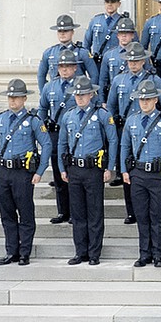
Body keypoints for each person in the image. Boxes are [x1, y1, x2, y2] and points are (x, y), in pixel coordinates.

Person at [0, 78, 52, 266]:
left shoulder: (33, 121)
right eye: (10, 97)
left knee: (25, 212)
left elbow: (46, 145)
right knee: (7, 213)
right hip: (3, 171)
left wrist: (39, 171)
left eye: (17, 97)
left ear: (24, 99)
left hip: (23, 172)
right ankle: (11, 251)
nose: (13, 101)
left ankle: (24, 252)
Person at [120, 77, 161, 268]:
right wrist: (124, 170)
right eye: (142, 99)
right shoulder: (131, 121)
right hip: (138, 173)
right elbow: (124, 146)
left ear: (156, 99)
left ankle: (158, 253)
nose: (145, 102)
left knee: (157, 215)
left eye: (148, 99)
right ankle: (144, 253)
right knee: (141, 215)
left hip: (158, 175)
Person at [107, 41, 161, 225]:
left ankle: (146, 211)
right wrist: (113, 122)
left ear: (144, 60)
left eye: (137, 60)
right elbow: (110, 104)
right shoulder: (119, 80)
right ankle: (131, 211)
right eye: (130, 60)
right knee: (129, 168)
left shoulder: (154, 80)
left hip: (150, 130)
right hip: (126, 128)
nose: (133, 63)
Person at [57, 75, 118, 265]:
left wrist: (109, 167)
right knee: (77, 213)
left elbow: (113, 141)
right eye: (77, 94)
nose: (80, 98)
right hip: (75, 168)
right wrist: (62, 168)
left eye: (84, 94)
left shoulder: (102, 115)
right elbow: (62, 143)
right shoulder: (68, 116)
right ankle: (80, 251)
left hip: (94, 170)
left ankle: (94, 253)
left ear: (91, 94)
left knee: (95, 213)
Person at [39, 48, 83, 225]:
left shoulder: (81, 85)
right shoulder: (50, 86)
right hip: (55, 134)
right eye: (61, 66)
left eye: (68, 66)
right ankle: (62, 211)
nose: (64, 69)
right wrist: (44, 123)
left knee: (72, 174)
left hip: (75, 136)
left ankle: (74, 212)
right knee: (58, 174)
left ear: (75, 68)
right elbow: (42, 108)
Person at [37, 14, 95, 91]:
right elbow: (41, 75)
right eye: (60, 31)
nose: (62, 33)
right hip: (56, 93)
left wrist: (89, 93)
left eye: (66, 31)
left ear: (72, 32)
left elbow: (94, 75)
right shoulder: (49, 53)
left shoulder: (82, 53)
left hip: (77, 92)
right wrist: (45, 93)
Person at [84, 0, 129, 72]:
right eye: (107, 1)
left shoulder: (125, 22)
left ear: (119, 4)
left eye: (113, 2)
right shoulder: (95, 20)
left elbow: (134, 44)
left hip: (118, 64)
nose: (110, 4)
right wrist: (90, 64)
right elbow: (86, 44)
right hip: (98, 65)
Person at [98, 16, 137, 100]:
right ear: (117, 35)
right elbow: (102, 80)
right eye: (121, 33)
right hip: (113, 96)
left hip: (134, 96)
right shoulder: (109, 55)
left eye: (127, 33)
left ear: (132, 35)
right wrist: (102, 100)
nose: (124, 35)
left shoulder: (141, 55)